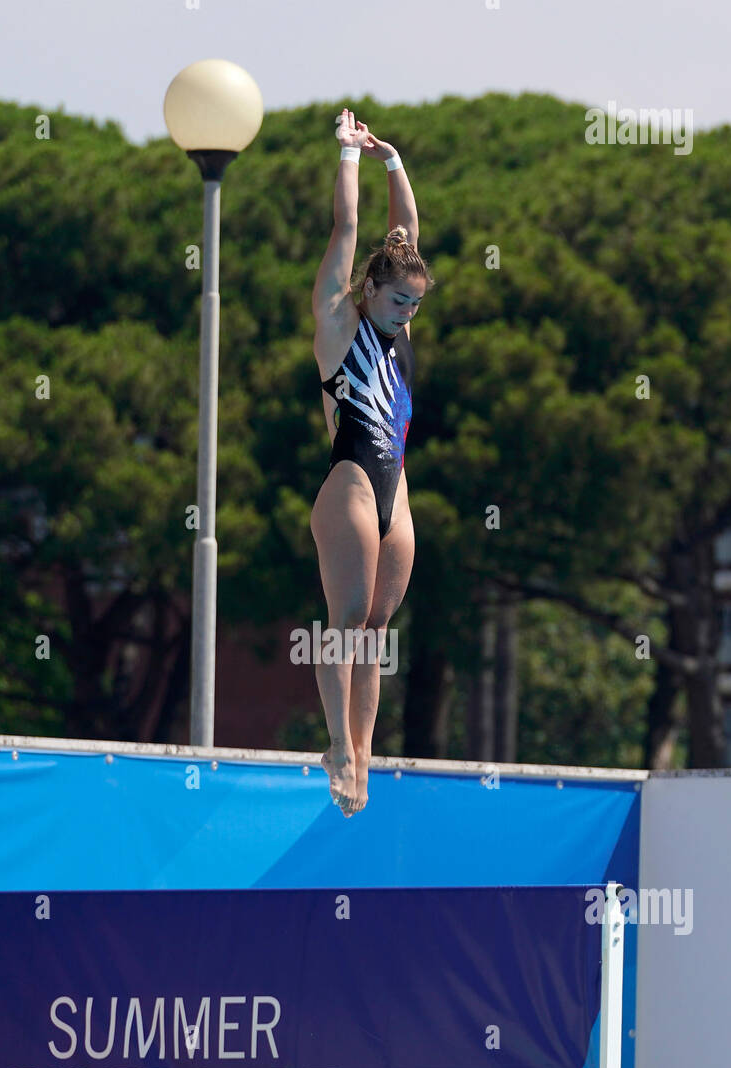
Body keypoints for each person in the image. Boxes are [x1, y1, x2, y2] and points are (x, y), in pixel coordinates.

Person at [311, 108, 434, 816]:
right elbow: (348, 232)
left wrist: (395, 161)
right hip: (350, 479)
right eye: (396, 302)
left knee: (379, 627)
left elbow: (406, 234)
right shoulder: (338, 322)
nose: (404, 315)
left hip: (397, 488)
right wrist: (350, 155)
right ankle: (337, 745)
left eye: (414, 305)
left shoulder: (400, 313)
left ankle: (363, 750)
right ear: (368, 290)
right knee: (348, 616)